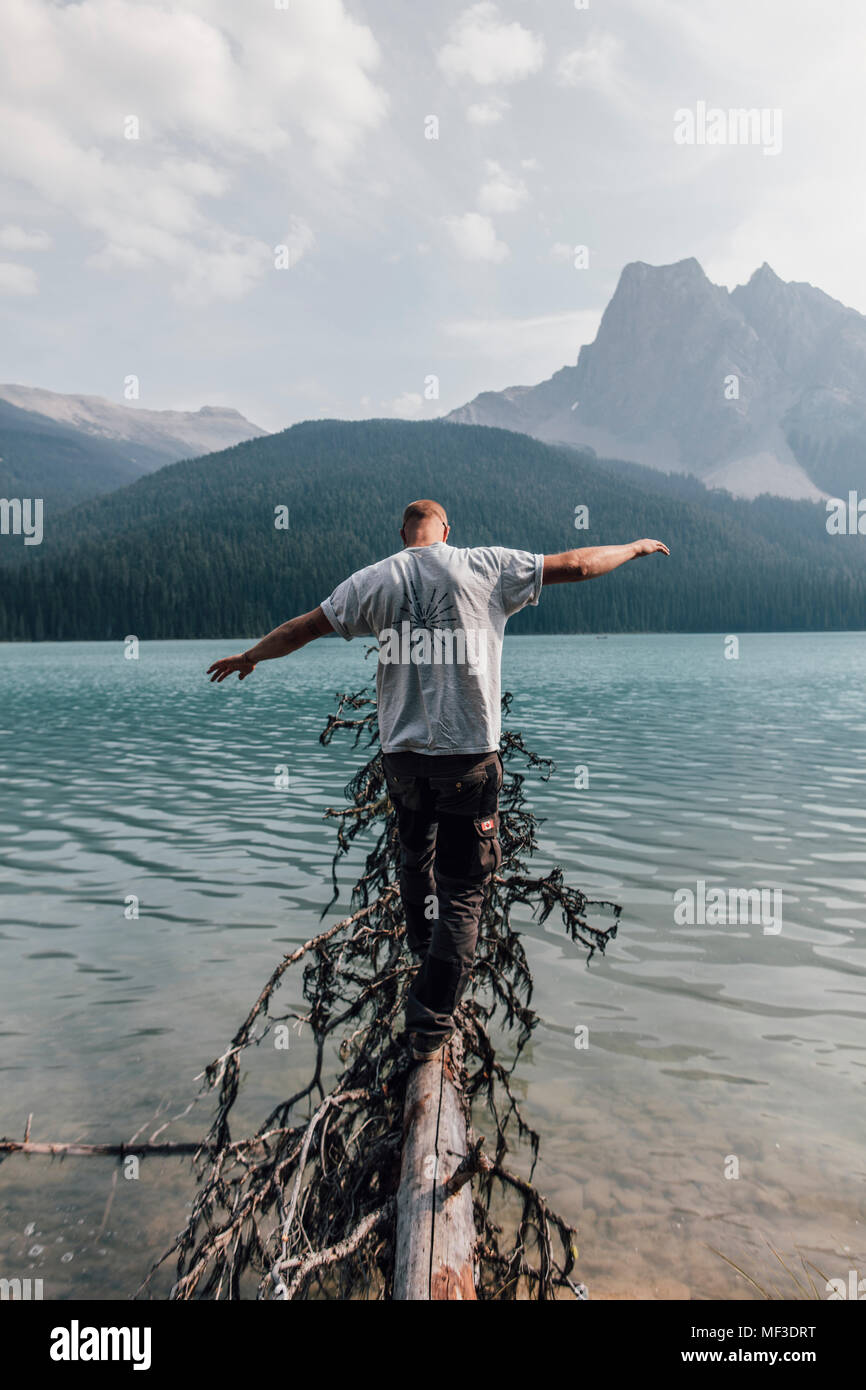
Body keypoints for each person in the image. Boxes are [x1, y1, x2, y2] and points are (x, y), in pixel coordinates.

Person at [207, 500, 669, 1061]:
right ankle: (429, 1025)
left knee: (414, 859)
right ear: (447, 532)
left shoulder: (373, 580)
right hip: (468, 762)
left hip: (404, 763)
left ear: (404, 533)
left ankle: (427, 962)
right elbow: (575, 565)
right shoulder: (484, 566)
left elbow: (304, 628)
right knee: (464, 893)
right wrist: (634, 548)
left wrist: (252, 655)